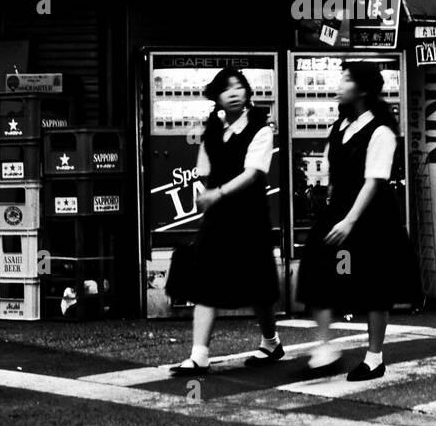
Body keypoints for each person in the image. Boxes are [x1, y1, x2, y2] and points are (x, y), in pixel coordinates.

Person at [297, 61, 418, 381]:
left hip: (374, 216)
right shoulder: (339, 127)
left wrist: (349, 220)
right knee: (318, 273)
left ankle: (374, 357)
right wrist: (330, 206)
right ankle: (324, 346)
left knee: (375, 284)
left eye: (346, 79)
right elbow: (334, 173)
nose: (339, 83)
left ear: (362, 89)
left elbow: (374, 181)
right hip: (340, 211)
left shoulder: (381, 130)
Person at [167, 68, 282, 375]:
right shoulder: (213, 126)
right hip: (218, 217)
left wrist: (216, 193)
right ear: (216, 95)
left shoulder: (260, 125)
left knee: (258, 283)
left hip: (249, 215)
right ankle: (199, 354)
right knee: (206, 277)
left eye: (239, 87)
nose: (234, 93)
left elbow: (253, 173)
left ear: (247, 93)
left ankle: (271, 341)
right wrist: (205, 186)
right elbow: (204, 159)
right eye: (227, 89)